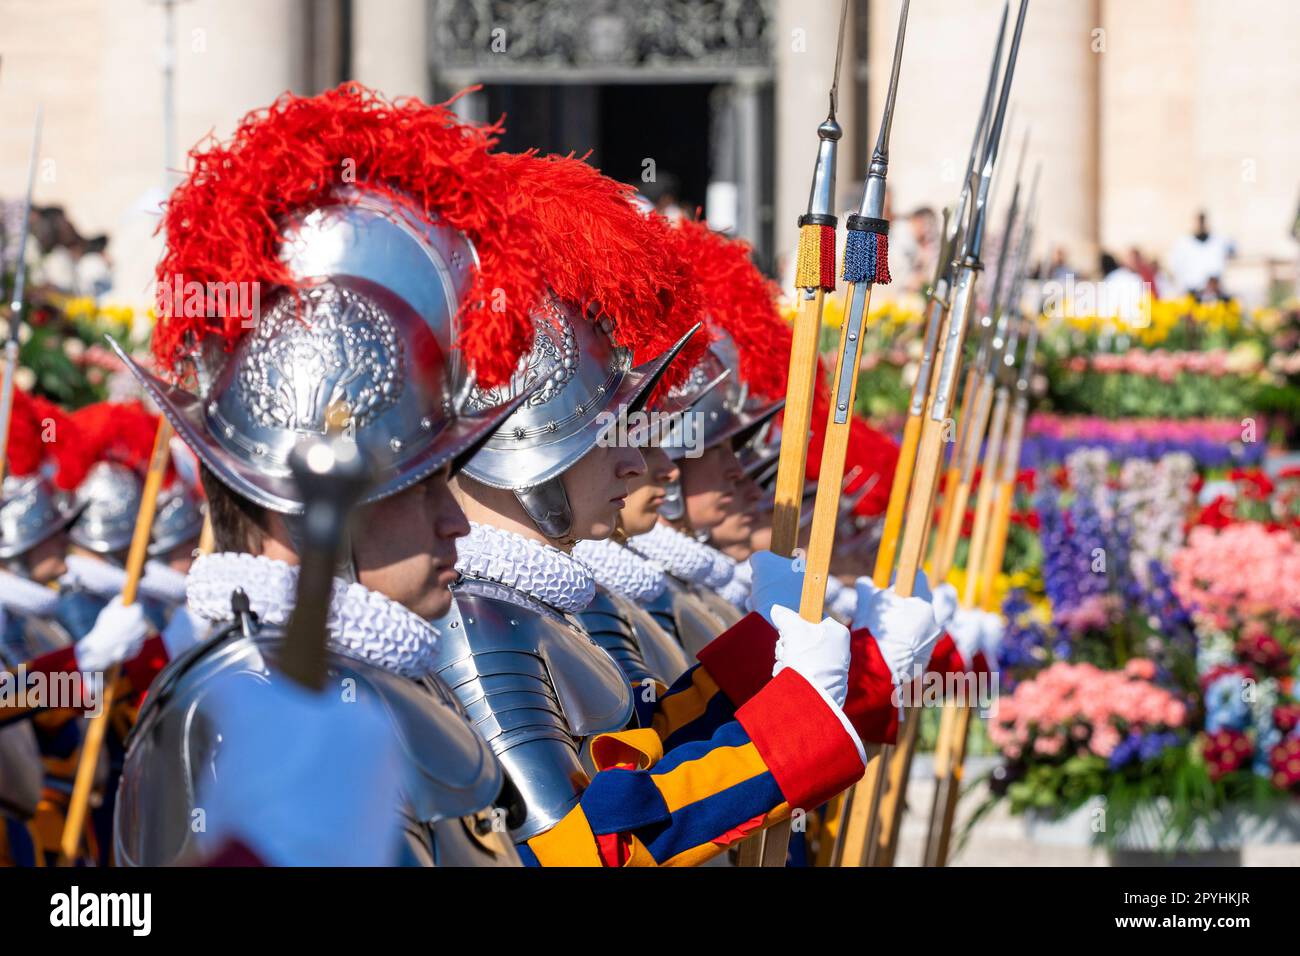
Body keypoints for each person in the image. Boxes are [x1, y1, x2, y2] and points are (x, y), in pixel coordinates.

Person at [108, 84, 566, 867]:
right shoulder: (247, 696)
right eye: (418, 488)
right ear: (308, 503)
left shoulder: (384, 675)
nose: (455, 519)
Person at [1169, 210, 1235, 298]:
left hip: (1214, 292)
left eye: (1203, 220)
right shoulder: (1183, 243)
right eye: (1199, 221)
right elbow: (1176, 268)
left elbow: (1232, 249)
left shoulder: (1218, 240)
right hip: (1192, 292)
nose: (1201, 224)